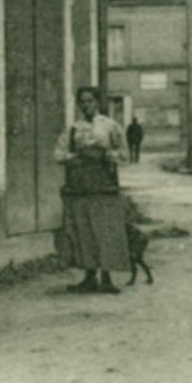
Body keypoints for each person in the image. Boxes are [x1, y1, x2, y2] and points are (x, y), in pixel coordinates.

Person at [54, 86, 131, 294]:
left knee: (105, 231)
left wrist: (105, 154)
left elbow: (125, 155)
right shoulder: (73, 129)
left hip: (104, 186)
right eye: (82, 101)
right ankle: (89, 277)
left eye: (90, 101)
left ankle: (106, 278)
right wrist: (76, 157)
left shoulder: (110, 126)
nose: (86, 105)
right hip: (80, 187)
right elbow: (58, 154)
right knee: (84, 231)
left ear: (97, 102)